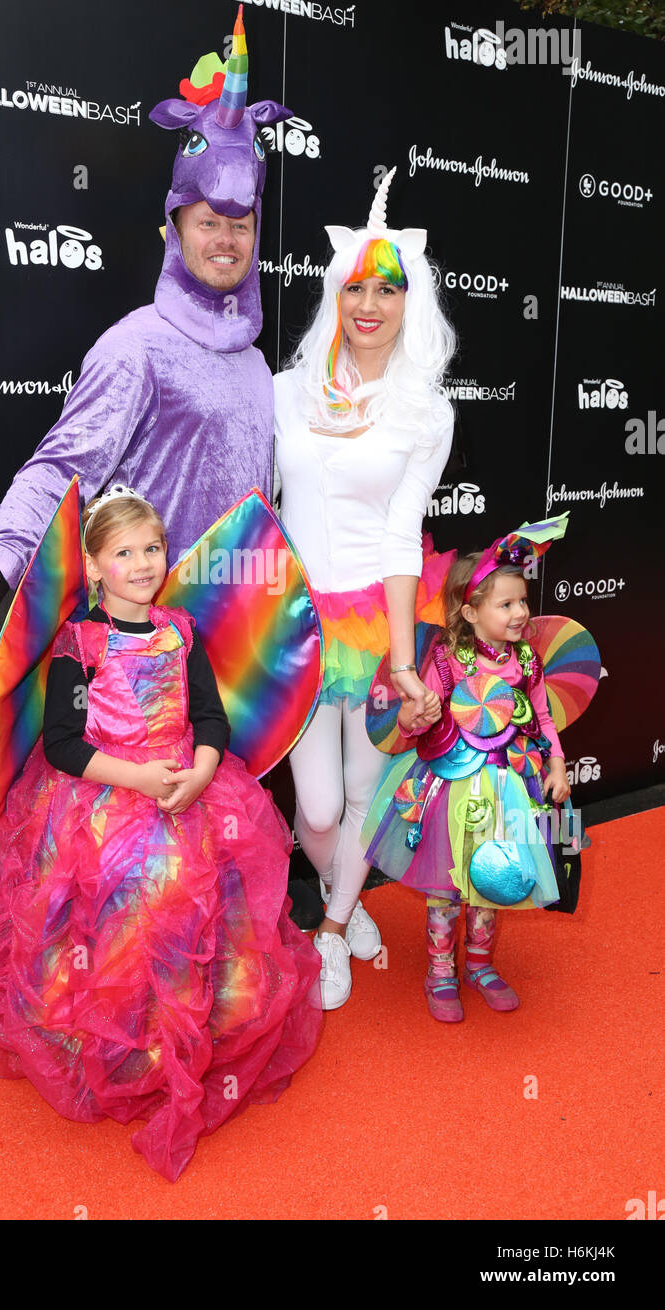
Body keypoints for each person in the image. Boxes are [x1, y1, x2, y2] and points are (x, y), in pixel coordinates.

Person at [0, 487, 322, 1182]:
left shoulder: (180, 632)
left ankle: (181, 1036)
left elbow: (211, 719)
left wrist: (200, 770)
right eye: (123, 553)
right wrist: (135, 779)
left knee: (189, 906)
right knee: (124, 906)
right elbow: (64, 744)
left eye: (151, 549)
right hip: (102, 800)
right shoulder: (78, 645)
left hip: (186, 791)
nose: (142, 563)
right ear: (93, 567)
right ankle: (117, 1044)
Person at [0, 8, 289, 661]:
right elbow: (63, 470)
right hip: (139, 666)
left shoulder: (258, 367)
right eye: (209, 221)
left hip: (235, 655)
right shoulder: (137, 346)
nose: (226, 239)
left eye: (241, 226)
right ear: (176, 228)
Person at [273, 168, 456, 1008]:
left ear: (411, 302)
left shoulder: (427, 411)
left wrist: (402, 658)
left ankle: (337, 927)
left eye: (389, 288)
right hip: (294, 622)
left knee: (360, 793)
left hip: (378, 621)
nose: (371, 303)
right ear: (334, 298)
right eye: (357, 288)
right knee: (314, 809)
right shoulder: (283, 395)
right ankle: (341, 888)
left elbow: (398, 534)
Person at [361, 519, 570, 1022]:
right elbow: (413, 722)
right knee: (446, 885)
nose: (521, 612)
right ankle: (440, 971)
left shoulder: (528, 662)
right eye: (506, 604)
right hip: (449, 786)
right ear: (471, 611)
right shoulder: (447, 661)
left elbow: (541, 717)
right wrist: (418, 714)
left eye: (523, 601)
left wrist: (558, 761)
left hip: (507, 786)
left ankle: (479, 964)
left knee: (493, 877)